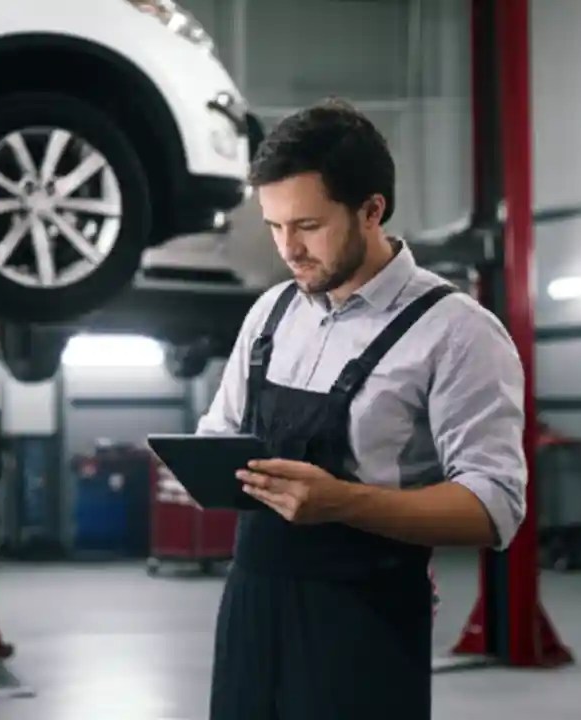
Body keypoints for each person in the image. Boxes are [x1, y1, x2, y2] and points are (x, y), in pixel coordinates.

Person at [195, 98, 529, 720]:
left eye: (308, 226)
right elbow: (219, 431)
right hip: (250, 605)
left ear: (372, 209)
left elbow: (495, 507)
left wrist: (342, 503)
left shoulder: (456, 332)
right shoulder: (271, 313)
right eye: (274, 227)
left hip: (364, 621)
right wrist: (208, 467)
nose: (288, 249)